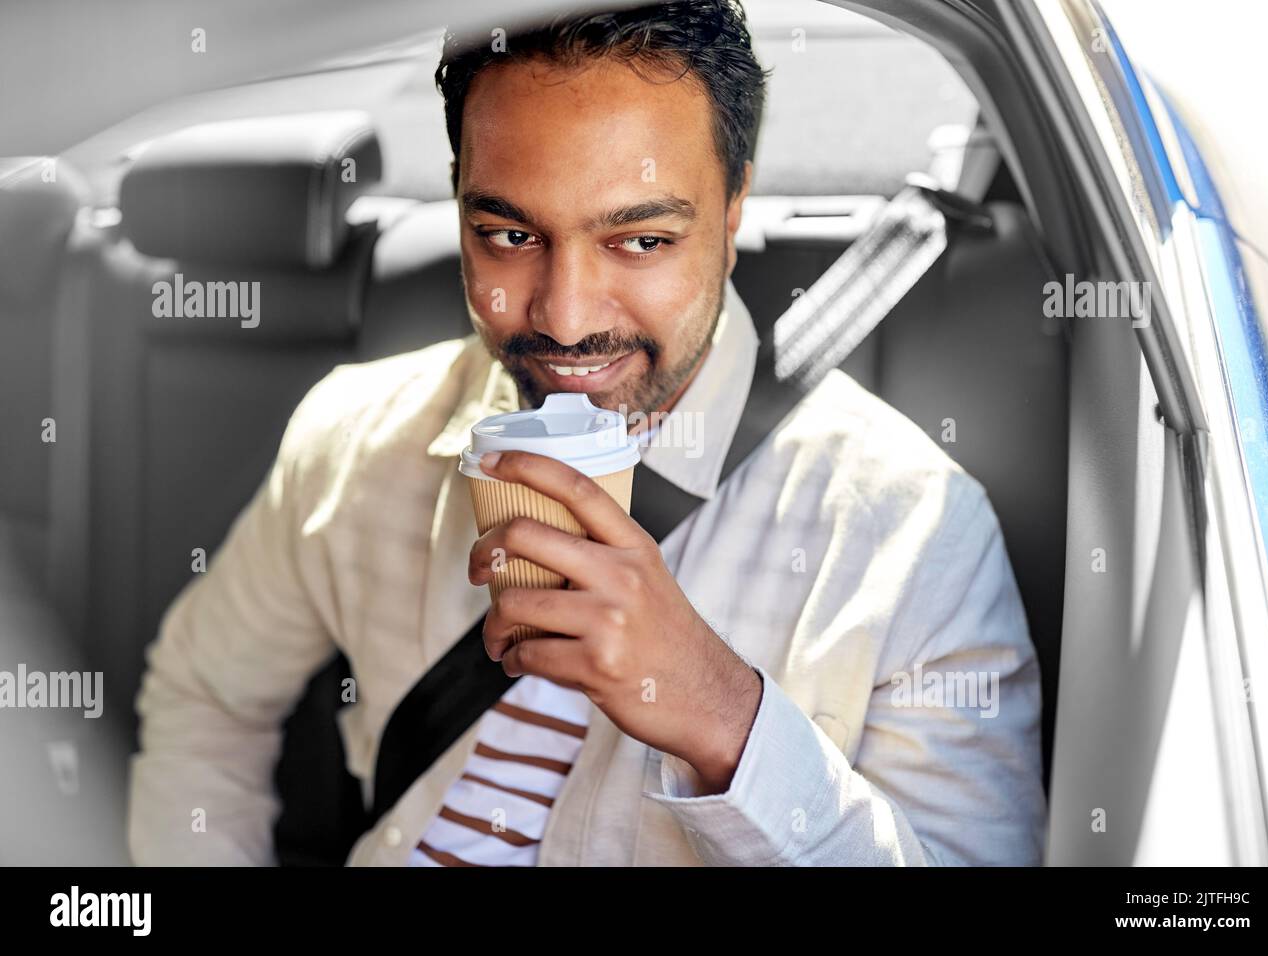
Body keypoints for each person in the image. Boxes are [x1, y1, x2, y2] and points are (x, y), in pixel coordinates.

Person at [128, 0, 1047, 866]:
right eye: (508, 236)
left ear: (732, 216)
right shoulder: (355, 441)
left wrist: (724, 716)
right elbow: (204, 695)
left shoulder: (912, 532)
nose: (565, 320)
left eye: (641, 241)